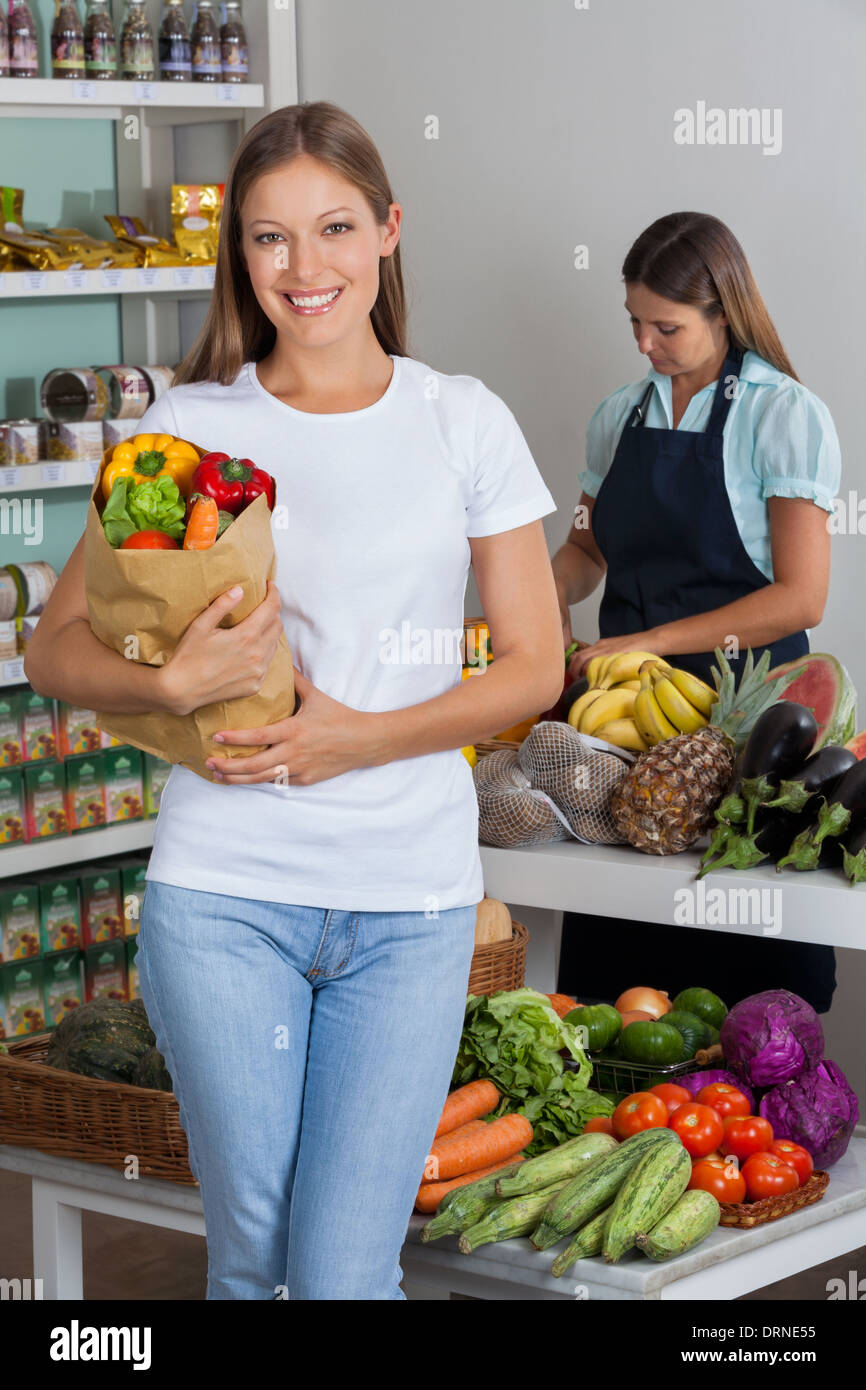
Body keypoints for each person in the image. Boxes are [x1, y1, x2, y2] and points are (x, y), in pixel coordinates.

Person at [24, 101, 563, 1299]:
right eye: (268, 239)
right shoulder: (188, 427)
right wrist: (167, 683)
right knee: (254, 1257)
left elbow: (534, 667)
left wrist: (356, 740)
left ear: (387, 231)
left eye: (331, 228)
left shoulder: (457, 420)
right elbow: (57, 647)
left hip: (406, 903)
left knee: (340, 1270)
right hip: (223, 896)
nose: (302, 268)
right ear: (243, 258)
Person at [551, 212, 841, 1014]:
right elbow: (586, 550)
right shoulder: (621, 416)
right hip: (623, 723)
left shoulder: (783, 416)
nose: (645, 344)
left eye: (666, 326)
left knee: (745, 974)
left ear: (724, 311)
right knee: (618, 971)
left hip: (752, 732)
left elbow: (800, 595)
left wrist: (648, 639)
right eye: (635, 323)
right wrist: (537, 598)